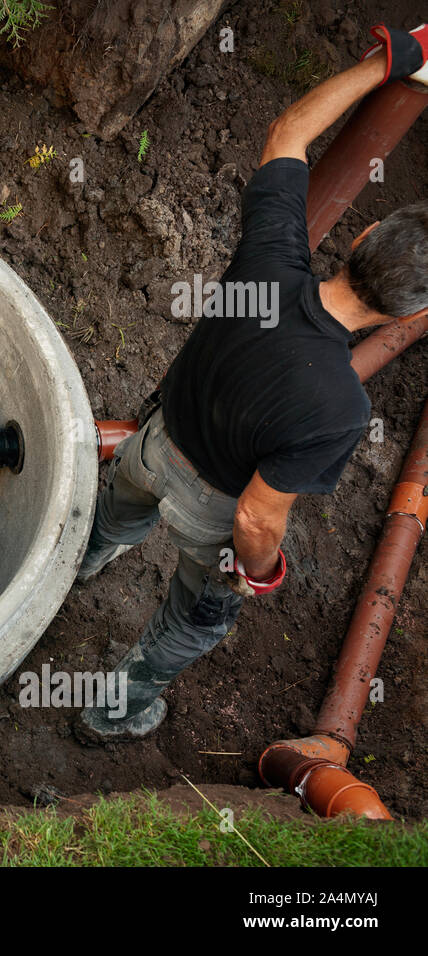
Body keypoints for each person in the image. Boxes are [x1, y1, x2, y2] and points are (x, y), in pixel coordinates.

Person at [75, 24, 428, 741]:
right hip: (213, 513)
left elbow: (290, 129)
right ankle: (111, 712)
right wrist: (257, 573)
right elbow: (257, 521)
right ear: (411, 313)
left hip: (153, 444)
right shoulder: (340, 407)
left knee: (118, 509)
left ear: (359, 239)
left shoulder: (271, 261)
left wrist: (392, 61)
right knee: (194, 618)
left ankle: (80, 563)